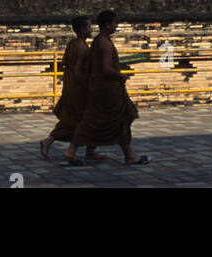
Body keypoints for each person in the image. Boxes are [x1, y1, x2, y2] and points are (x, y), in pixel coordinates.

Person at [63, 10, 149, 166]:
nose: (116, 26)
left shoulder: (98, 41)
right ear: (108, 24)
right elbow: (107, 69)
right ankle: (128, 155)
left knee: (98, 119)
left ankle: (77, 149)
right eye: (114, 23)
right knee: (117, 118)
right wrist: (121, 76)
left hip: (101, 87)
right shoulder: (104, 43)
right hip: (108, 89)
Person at [40, 16, 103, 160]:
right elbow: (79, 72)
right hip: (79, 90)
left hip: (71, 87)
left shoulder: (74, 44)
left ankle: (90, 149)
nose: (91, 29)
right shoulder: (81, 48)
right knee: (80, 121)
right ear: (82, 29)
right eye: (88, 27)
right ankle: (50, 141)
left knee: (80, 119)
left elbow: (66, 65)